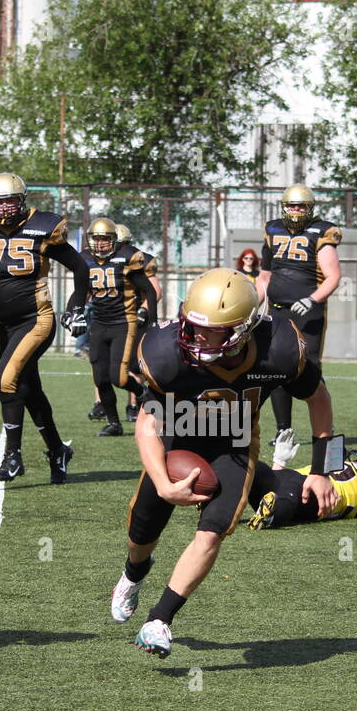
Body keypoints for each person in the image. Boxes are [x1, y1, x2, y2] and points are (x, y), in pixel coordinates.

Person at [109, 268, 339, 659]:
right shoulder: (167, 354)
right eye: (191, 325)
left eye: (209, 330)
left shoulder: (279, 347)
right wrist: (164, 483)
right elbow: (148, 421)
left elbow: (318, 397)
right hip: (175, 433)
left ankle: (160, 620)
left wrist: (321, 471)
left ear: (243, 329)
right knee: (141, 533)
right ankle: (134, 572)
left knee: (214, 530)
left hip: (233, 439)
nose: (195, 336)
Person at [0, 172, 90, 484]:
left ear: (22, 201)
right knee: (29, 391)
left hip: (37, 320)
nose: (4, 207)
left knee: (4, 378)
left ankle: (13, 456)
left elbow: (80, 267)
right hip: (2, 325)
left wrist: (75, 307)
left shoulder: (41, 228)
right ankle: (57, 450)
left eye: (10, 201)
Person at [255, 184, 342, 445]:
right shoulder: (273, 229)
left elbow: (333, 276)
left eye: (300, 205)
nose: (295, 210)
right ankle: (284, 430)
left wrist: (312, 299)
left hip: (308, 311)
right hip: (277, 310)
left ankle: (324, 424)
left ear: (310, 208)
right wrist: (251, 304)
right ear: (284, 206)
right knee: (277, 365)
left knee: (310, 366)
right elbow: (265, 277)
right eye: (291, 205)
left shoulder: (322, 231)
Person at [79, 216, 156, 437]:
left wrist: (152, 321)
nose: (100, 243)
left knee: (119, 377)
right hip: (99, 323)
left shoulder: (127, 258)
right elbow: (79, 290)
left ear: (115, 240)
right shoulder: (84, 259)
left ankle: (143, 393)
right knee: (100, 378)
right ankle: (114, 423)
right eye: (96, 239)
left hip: (123, 322)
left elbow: (150, 290)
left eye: (105, 239)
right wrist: (72, 312)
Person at [245, 428, 357, 529]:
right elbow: (278, 485)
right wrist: (279, 461)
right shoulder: (347, 470)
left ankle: (270, 518)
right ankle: (224, 498)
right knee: (250, 466)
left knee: (288, 495)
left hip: (314, 496)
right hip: (286, 480)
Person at [117, 222, 162, 422]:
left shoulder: (140, 260)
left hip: (136, 316)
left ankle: (133, 404)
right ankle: (101, 404)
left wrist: (144, 310)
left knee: (136, 365)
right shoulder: (98, 259)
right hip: (111, 318)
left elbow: (155, 291)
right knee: (102, 364)